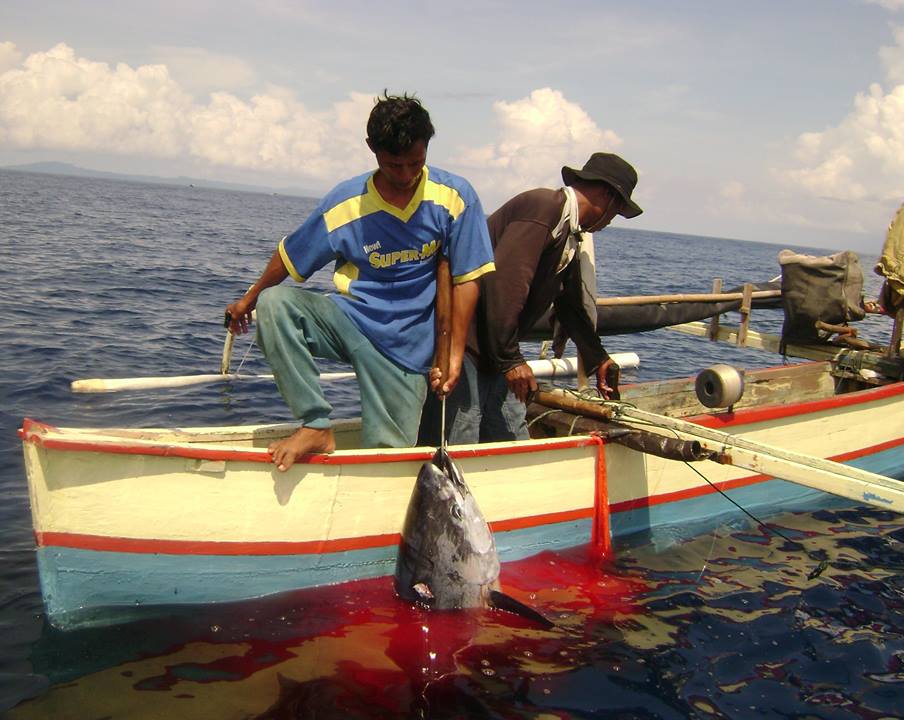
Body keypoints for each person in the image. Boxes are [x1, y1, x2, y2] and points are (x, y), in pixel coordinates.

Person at [227, 93, 495, 471]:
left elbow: (467, 279)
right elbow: (291, 255)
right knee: (276, 305)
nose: (405, 175)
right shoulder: (346, 202)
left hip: (406, 348)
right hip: (350, 319)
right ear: (372, 150)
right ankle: (316, 424)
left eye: (415, 163)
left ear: (428, 149)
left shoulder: (455, 198)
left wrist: (452, 355)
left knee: (384, 460)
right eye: (393, 165)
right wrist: (249, 299)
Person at [419, 152, 643, 445]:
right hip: (468, 350)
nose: (612, 220)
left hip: (496, 355)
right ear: (605, 194)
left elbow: (570, 305)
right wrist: (512, 361)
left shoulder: (568, 231)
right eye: (616, 210)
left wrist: (596, 358)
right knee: (458, 446)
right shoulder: (543, 209)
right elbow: (502, 285)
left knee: (512, 439)